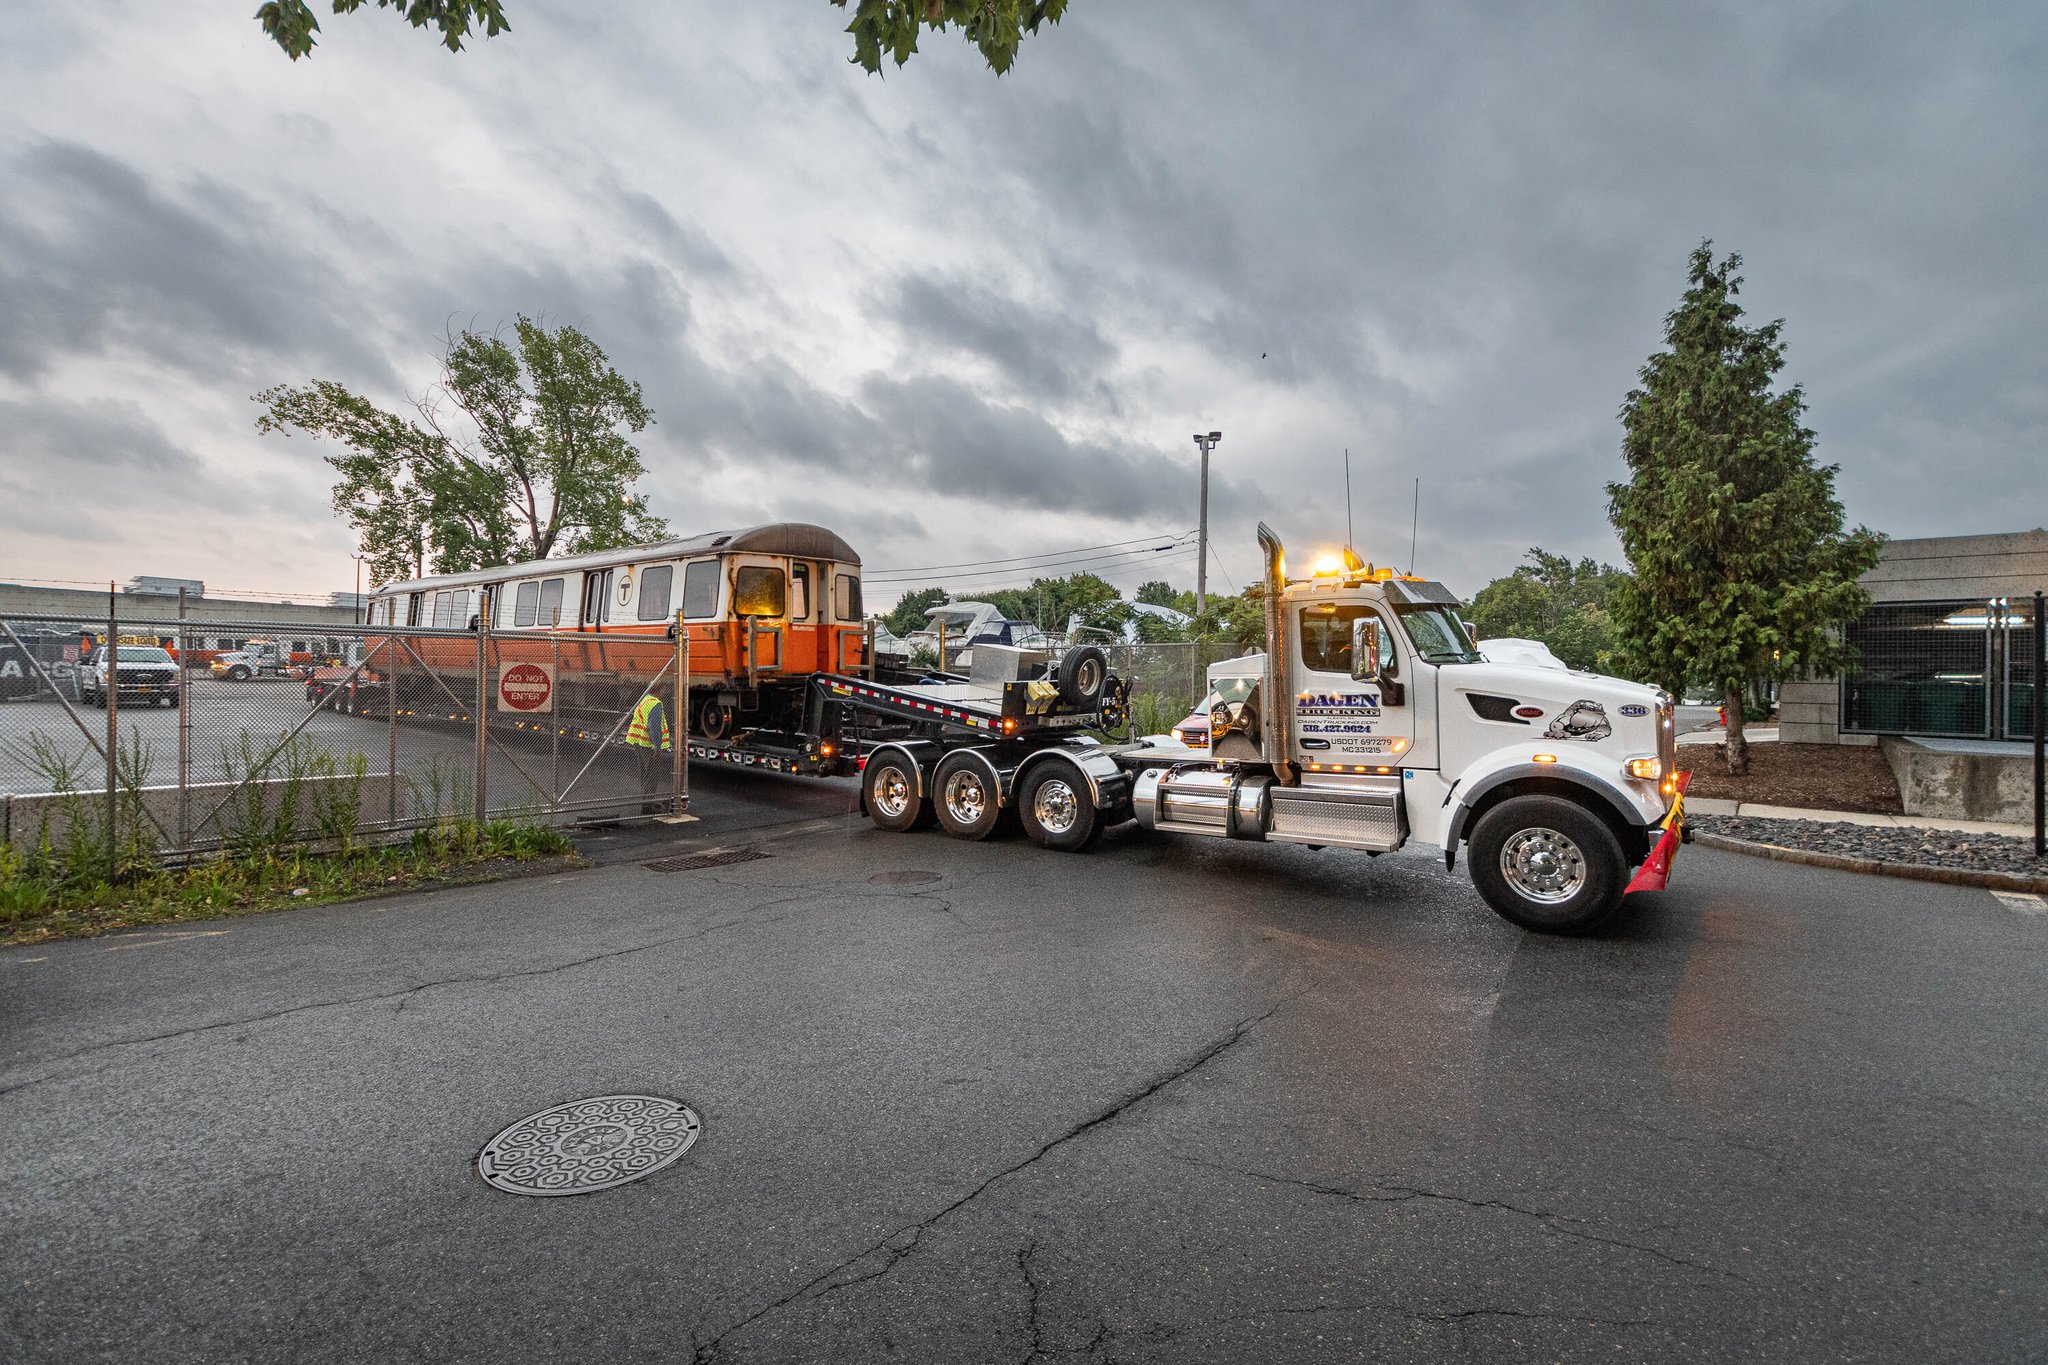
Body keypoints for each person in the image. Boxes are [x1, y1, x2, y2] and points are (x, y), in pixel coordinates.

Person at [626, 689, 672, 814]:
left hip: (638, 741)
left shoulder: (644, 699)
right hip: (647, 744)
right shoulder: (655, 704)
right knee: (652, 774)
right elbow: (654, 727)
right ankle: (647, 806)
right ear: (660, 691)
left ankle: (645, 802)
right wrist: (657, 747)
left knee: (645, 774)